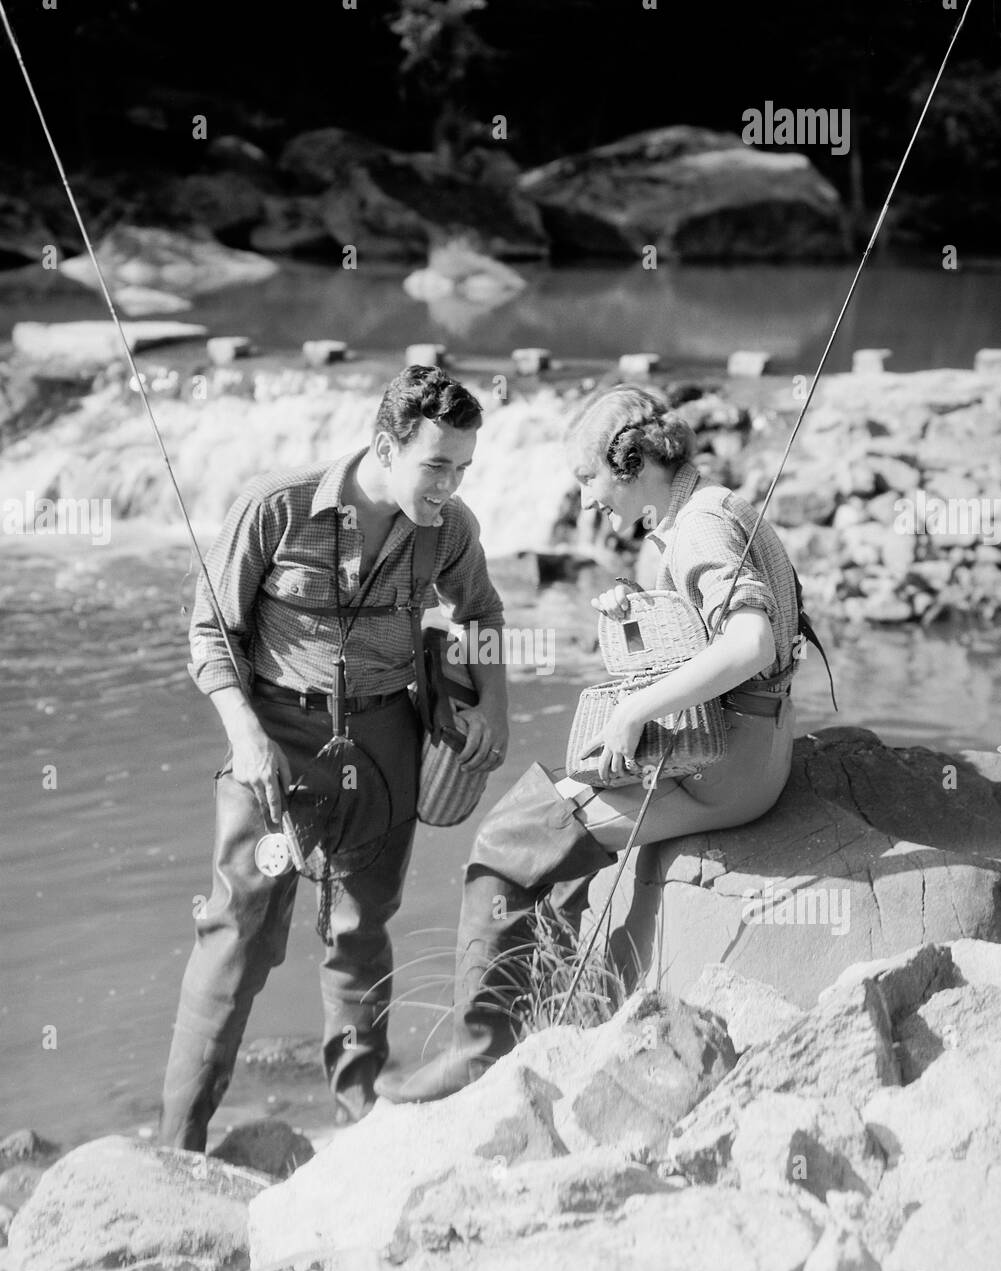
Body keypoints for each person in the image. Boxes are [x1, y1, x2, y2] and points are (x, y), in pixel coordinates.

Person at [377, 383, 802, 1104]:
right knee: (547, 812)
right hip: (753, 740)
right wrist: (643, 612)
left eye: (588, 481)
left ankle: (478, 1053)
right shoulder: (713, 505)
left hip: (726, 764)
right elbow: (726, 627)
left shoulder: (696, 530)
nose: (586, 502)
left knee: (507, 841)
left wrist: (636, 709)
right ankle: (547, 1013)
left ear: (630, 463)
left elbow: (752, 642)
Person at [158, 366, 508, 1148]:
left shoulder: (447, 528)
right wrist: (243, 736)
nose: (449, 485)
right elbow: (209, 635)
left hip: (389, 736)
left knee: (361, 932)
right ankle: (175, 1148)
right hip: (275, 738)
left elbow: (480, 608)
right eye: (436, 465)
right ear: (385, 446)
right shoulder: (275, 507)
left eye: (462, 468)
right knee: (236, 935)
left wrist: (494, 701)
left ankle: (358, 1131)